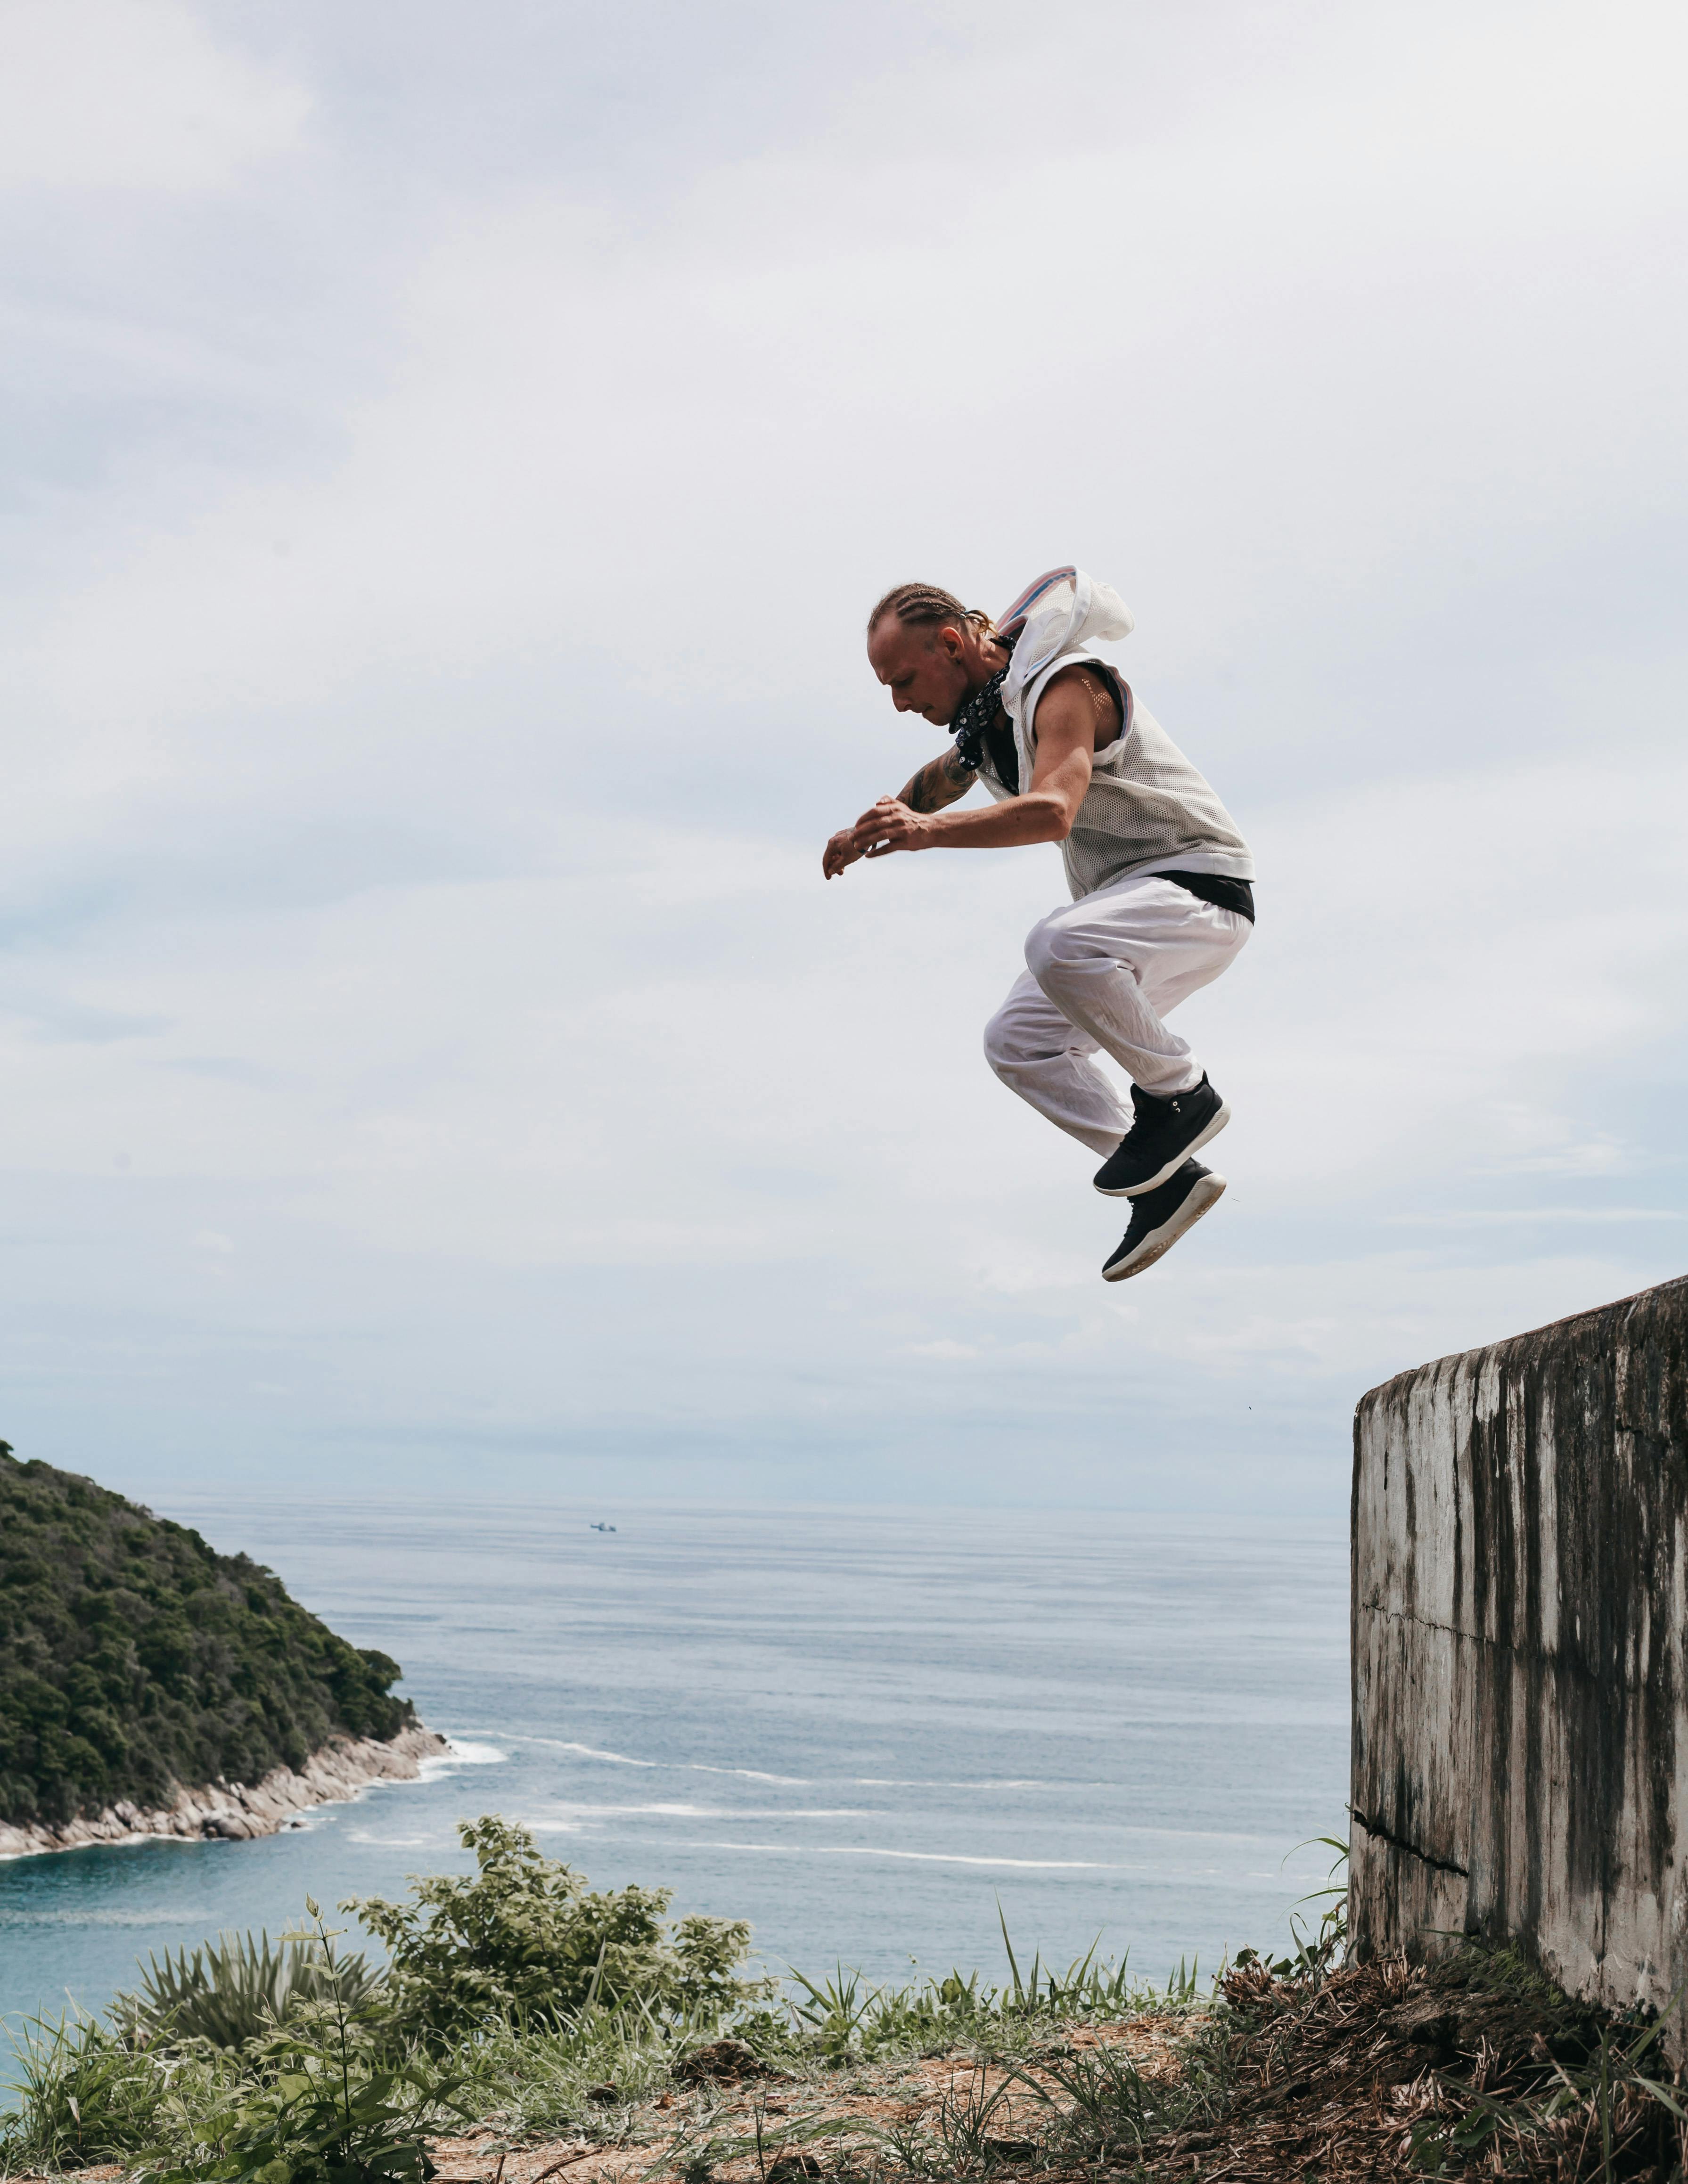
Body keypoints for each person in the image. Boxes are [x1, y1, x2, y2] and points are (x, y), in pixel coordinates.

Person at [822, 567, 1254, 1281]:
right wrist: (869, 829)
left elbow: (1053, 810)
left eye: (904, 681)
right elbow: (940, 780)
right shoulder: (988, 722)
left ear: (952, 646)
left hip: (1199, 887)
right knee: (1017, 1042)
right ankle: (1166, 1182)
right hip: (1134, 915)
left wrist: (926, 834)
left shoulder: (1063, 687)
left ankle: (1181, 1093)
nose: (899, 703)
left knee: (1057, 943)